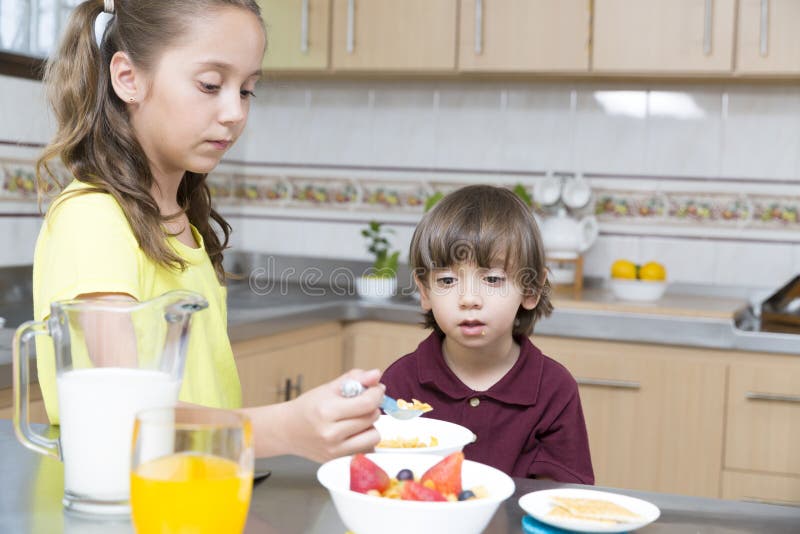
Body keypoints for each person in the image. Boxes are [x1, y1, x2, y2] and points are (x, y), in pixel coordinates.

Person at [32, 0, 383, 462]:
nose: (235, 111)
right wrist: (285, 428)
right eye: (211, 85)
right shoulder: (93, 218)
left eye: (247, 90)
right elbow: (127, 412)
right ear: (128, 78)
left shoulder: (180, 221)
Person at [381, 185, 594, 483]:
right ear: (424, 292)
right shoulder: (400, 383)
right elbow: (383, 481)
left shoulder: (555, 390)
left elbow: (564, 499)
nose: (469, 299)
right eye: (447, 280)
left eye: (492, 279)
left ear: (531, 289)